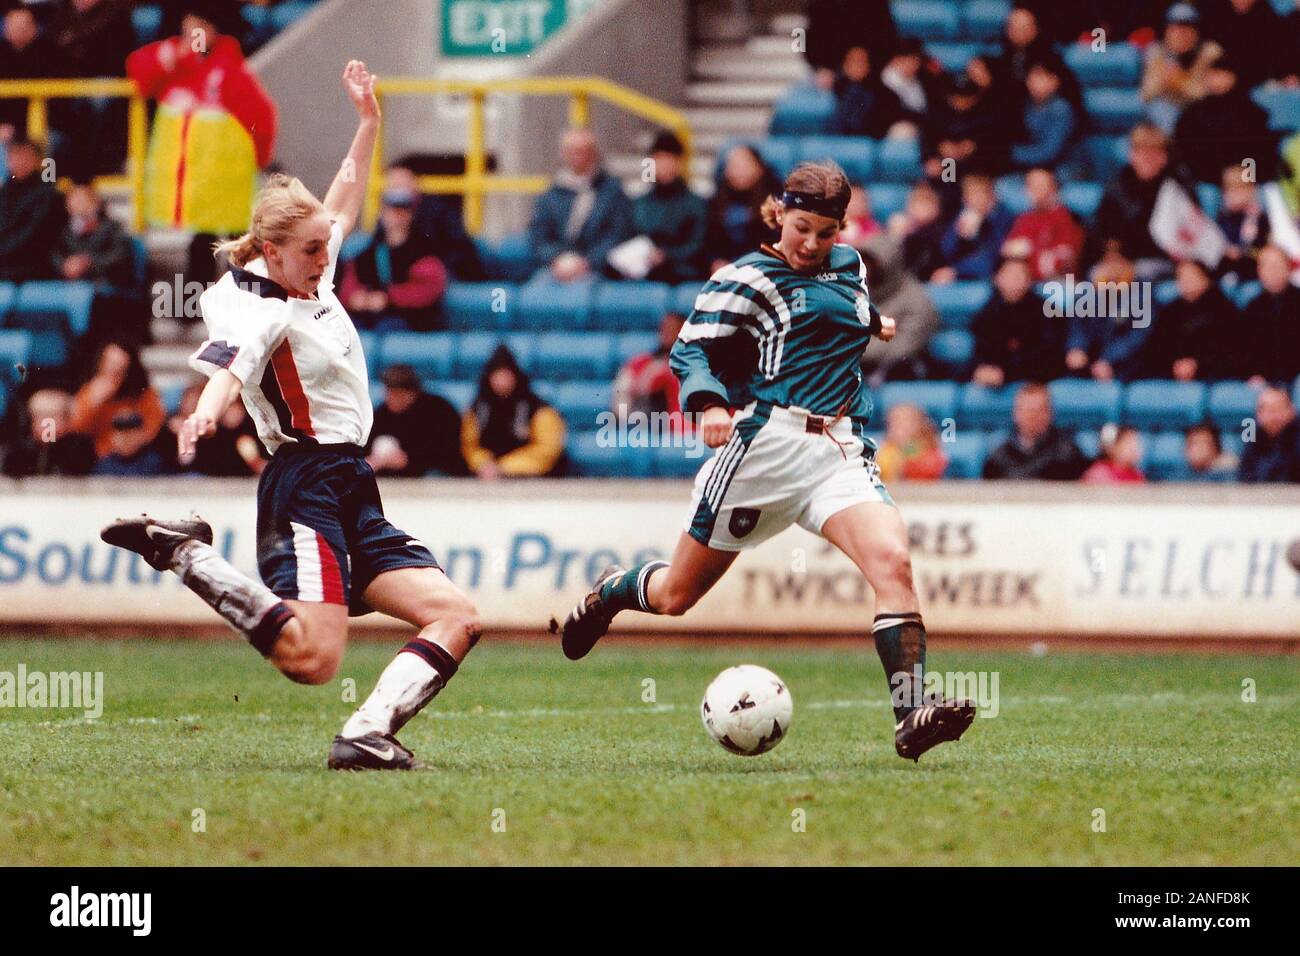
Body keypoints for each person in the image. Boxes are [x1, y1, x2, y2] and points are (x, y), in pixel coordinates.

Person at [100, 62, 482, 773]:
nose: (325, 254)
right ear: (271, 251)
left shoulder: (305, 265)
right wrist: (205, 416)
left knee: (456, 615)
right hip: (302, 485)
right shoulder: (256, 305)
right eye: (311, 250)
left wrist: (368, 121)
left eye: (323, 245)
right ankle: (188, 555)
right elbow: (230, 363)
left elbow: (342, 193)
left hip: (351, 484)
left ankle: (367, 734)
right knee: (313, 661)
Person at [552, 160, 977, 763]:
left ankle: (912, 715)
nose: (811, 243)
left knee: (894, 563)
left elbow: (840, 313)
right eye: (801, 227)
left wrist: (873, 324)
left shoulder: (851, 265)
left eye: (825, 232)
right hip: (765, 449)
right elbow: (691, 350)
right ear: (780, 214)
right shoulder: (746, 278)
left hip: (839, 449)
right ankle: (612, 593)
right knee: (676, 596)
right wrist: (707, 406)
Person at [126, 0, 277, 236]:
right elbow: (137, 72)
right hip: (191, 189)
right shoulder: (171, 63)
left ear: (215, 30)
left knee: (236, 244)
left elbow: (261, 117)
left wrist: (261, 158)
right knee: (200, 247)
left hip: (225, 182)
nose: (194, 35)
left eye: (202, 28)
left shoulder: (229, 69)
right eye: (189, 27)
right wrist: (173, 57)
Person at [1085, 123, 1194, 278]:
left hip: (1162, 259)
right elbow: (1106, 229)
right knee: (1098, 275)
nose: (1146, 158)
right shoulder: (1118, 185)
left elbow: (1181, 237)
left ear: (1164, 157)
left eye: (1153, 153)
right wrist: (1113, 255)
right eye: (1140, 152)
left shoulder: (1177, 186)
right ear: (1131, 155)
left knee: (1134, 275)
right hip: (1123, 260)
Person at [527, 127, 635, 281]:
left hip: (597, 270)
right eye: (572, 151)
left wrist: (586, 262)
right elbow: (539, 236)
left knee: (578, 295)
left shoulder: (612, 191)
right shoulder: (551, 194)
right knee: (537, 294)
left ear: (593, 154)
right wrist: (557, 259)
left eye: (583, 151)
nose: (578, 156)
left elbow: (617, 234)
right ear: (564, 154)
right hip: (556, 268)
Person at [340, 186, 447, 331]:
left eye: (403, 210)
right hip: (369, 320)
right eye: (392, 210)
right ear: (383, 213)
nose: (398, 216)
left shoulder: (424, 252)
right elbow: (350, 284)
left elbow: (428, 288)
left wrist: (389, 298)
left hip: (410, 323)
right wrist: (355, 298)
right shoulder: (368, 252)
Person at [461, 345, 566, 479]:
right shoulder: (477, 409)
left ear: (516, 376)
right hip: (487, 478)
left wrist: (504, 467)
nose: (501, 381)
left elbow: (547, 451)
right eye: (497, 375)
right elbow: (468, 446)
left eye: (506, 375)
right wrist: (483, 463)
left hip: (532, 480)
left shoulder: (540, 410)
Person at [1173, 56, 1275, 186]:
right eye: (1214, 74)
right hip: (1208, 181)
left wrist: (1245, 176)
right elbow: (1187, 152)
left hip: (1246, 179)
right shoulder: (1192, 114)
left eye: (1223, 74)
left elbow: (1259, 152)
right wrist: (1219, 178)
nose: (1218, 79)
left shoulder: (1252, 113)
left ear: (1233, 77)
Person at [626, 130, 707, 283]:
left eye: (669, 159)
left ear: (679, 162)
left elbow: (697, 245)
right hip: (641, 273)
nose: (663, 165)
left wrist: (666, 255)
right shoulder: (639, 203)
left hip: (681, 274)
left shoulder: (696, 204)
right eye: (658, 159)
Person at [858, 233, 939, 384]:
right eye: (863, 263)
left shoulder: (917, 301)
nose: (867, 269)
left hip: (898, 374)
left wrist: (856, 348)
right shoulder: (856, 293)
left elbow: (905, 346)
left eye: (872, 263)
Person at [970, 257, 1062, 387]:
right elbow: (981, 350)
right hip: (996, 377)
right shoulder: (988, 312)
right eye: (1009, 274)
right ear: (997, 279)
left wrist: (1006, 373)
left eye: (1020, 275)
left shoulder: (1046, 311)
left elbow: (1046, 357)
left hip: (1035, 377)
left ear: (1029, 280)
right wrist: (980, 370)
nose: (1015, 281)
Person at [1143, 258, 1239, 381]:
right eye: (1181, 276)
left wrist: (1197, 364)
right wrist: (1175, 364)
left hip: (1211, 374)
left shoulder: (1224, 310)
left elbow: (1227, 348)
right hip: (1171, 374)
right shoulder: (1170, 311)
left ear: (1205, 278)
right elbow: (1158, 346)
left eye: (1191, 275)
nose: (1186, 281)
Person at [69, 342, 166, 461]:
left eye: (119, 368)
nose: (113, 371)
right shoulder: (90, 390)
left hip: (138, 455)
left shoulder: (145, 394)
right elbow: (77, 427)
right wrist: (93, 402)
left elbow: (154, 426)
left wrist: (130, 441)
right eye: (109, 363)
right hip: (101, 459)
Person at [368, 364, 467, 477]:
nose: (394, 399)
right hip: (392, 475)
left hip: (435, 472)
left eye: (400, 394)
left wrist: (408, 460)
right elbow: (367, 449)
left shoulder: (439, 410)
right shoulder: (380, 414)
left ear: (413, 392)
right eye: (390, 393)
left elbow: (449, 451)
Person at [1140, 3, 1223, 135]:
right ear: (1167, 31)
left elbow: (1199, 93)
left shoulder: (1208, 52)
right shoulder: (1156, 51)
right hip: (1163, 121)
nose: (1182, 35)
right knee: (1163, 110)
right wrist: (1186, 82)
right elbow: (1148, 92)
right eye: (1177, 28)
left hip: (1199, 118)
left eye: (1188, 29)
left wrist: (1177, 80)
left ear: (1196, 32)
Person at [982, 382, 1088, 480]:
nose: (1033, 417)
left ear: (1050, 413)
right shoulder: (999, 457)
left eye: (1039, 410)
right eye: (1029, 411)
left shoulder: (1067, 454)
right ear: (1016, 413)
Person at [704, 144, 780, 273]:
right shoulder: (715, 202)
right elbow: (708, 242)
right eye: (733, 166)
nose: (738, 171)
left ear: (759, 168)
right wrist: (715, 261)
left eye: (744, 165)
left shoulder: (776, 202)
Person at [0, 137, 65, 282]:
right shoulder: (5, 192)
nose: (19, 162)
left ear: (36, 160)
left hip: (32, 267)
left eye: (24, 157)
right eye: (14, 157)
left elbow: (34, 235)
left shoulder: (48, 194)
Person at [931, 173, 1016, 284]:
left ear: (992, 196)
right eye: (970, 195)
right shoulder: (963, 217)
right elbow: (946, 251)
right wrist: (960, 236)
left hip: (993, 277)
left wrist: (957, 271)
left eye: (979, 193)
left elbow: (991, 260)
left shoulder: (1004, 218)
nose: (974, 200)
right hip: (963, 276)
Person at [1001, 168, 1084, 281]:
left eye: (1041, 185)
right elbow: (1008, 250)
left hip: (1057, 282)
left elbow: (1062, 261)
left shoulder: (1067, 217)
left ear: (1054, 188)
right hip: (1025, 282)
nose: (1035, 190)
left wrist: (1030, 250)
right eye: (1031, 186)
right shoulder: (1024, 218)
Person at [611, 312, 687, 428]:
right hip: (648, 428)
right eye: (665, 328)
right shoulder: (640, 364)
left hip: (686, 431)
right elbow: (621, 396)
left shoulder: (698, 366)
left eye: (674, 329)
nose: (668, 333)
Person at [1, 389, 96, 478]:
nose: (43, 424)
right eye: (38, 416)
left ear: (67, 420)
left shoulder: (80, 447)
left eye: (51, 417)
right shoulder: (19, 450)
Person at [1241, 245, 1300, 385]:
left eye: (1276, 266)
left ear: (1288, 268)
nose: (1271, 272)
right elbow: (1244, 350)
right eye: (1265, 266)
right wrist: (1253, 374)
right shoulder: (1252, 308)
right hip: (1261, 380)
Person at [1010, 56, 1077, 172]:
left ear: (1055, 81)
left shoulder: (1061, 109)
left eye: (1042, 77)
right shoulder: (1026, 105)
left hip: (1064, 167)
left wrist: (1009, 153)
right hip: (1030, 165)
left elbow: (1049, 152)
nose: (1035, 82)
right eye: (1032, 76)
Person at [830, 45, 907, 139]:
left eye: (861, 62)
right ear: (844, 66)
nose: (857, 66)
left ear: (868, 66)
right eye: (852, 61)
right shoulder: (833, 89)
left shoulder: (886, 95)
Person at [1217, 166, 1270, 281]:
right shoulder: (1224, 215)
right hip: (1228, 271)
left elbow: (1253, 242)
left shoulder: (1257, 215)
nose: (1235, 194)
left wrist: (1240, 250)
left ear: (1251, 190)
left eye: (1241, 188)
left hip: (1253, 271)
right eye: (1230, 189)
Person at [1238, 386, 1300, 482]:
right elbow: (1245, 474)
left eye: (1278, 409)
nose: (1273, 416)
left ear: (1291, 410)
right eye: (1268, 410)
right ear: (1258, 414)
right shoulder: (1252, 434)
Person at [875, 403, 947, 482]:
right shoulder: (885, 450)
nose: (897, 427)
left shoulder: (929, 449)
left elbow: (931, 469)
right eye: (894, 422)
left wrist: (903, 454)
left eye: (904, 421)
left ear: (919, 424)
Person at [1162, 420, 1237, 481]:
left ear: (1215, 447)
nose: (1194, 449)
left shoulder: (1228, 474)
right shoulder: (1179, 475)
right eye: (1191, 443)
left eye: (1201, 444)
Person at [1082, 424, 1146, 483]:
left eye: (1136, 443)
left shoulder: (1137, 475)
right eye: (1128, 443)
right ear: (1113, 447)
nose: (1134, 449)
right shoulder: (1098, 474)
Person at [838, 184, 883, 250]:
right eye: (853, 200)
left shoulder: (873, 227)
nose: (856, 204)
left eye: (861, 200)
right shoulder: (833, 227)